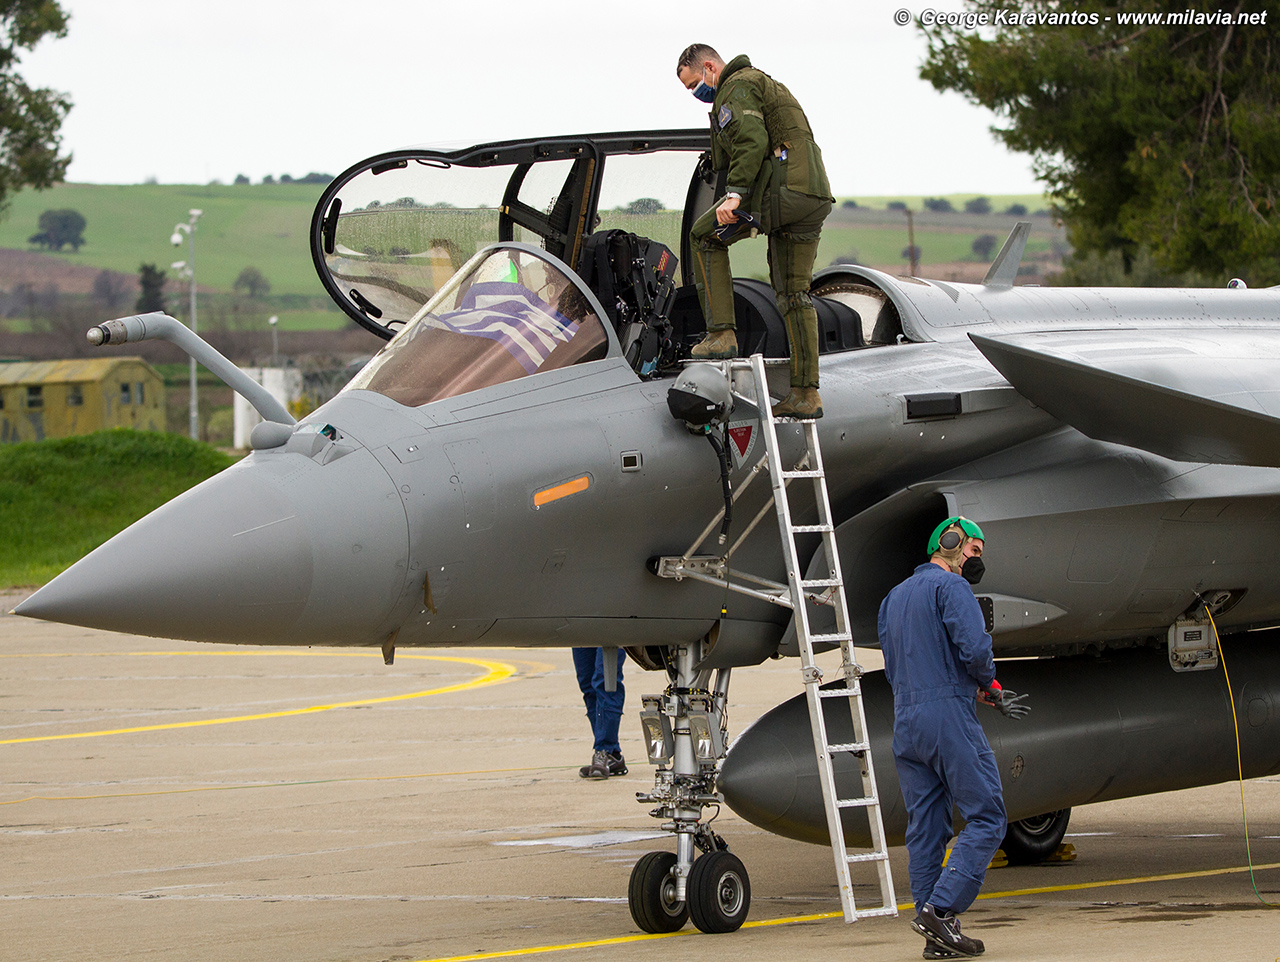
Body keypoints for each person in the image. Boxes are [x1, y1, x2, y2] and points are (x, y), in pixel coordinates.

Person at [877, 517, 1029, 959]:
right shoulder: (953, 589)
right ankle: (941, 911)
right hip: (947, 720)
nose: (977, 561)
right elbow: (975, 650)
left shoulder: (893, 598)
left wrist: (961, 689)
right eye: (974, 551)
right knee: (987, 816)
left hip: (906, 721)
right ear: (951, 543)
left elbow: (896, 664)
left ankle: (935, 935)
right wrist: (989, 685)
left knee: (927, 828)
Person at [676, 44, 835, 420]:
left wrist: (735, 196)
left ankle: (721, 334)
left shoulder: (736, 86)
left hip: (780, 190)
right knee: (794, 294)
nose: (696, 94)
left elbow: (751, 141)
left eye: (694, 84)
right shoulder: (764, 83)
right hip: (812, 193)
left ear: (711, 67)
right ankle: (805, 393)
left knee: (703, 236)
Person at [572, 647, 627, 779]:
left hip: (611, 628)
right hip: (579, 628)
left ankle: (603, 749)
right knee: (587, 683)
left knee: (607, 680)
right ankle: (612, 755)